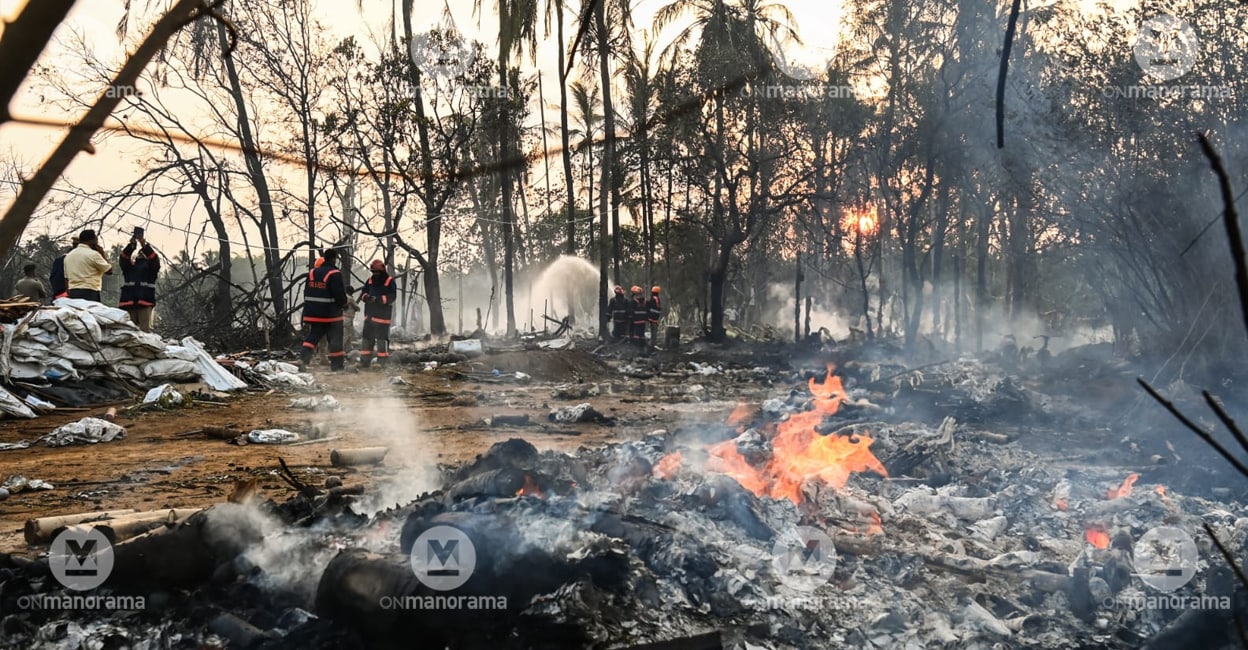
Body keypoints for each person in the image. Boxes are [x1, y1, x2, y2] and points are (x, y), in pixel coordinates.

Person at [299, 248, 349, 371]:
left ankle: (303, 360)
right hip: (331, 315)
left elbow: (306, 292)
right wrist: (344, 304)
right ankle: (337, 366)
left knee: (312, 337)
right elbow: (339, 294)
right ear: (333, 259)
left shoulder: (311, 273)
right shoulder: (334, 273)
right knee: (335, 340)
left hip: (313, 313)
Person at [118, 227, 159, 332]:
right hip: (129, 302)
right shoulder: (130, 267)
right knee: (128, 332)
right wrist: (131, 245)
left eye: (143, 253)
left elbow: (154, 259)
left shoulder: (151, 269)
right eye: (140, 253)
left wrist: (143, 244)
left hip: (144, 302)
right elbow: (123, 258)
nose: (140, 254)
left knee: (144, 332)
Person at [358, 259, 397, 369]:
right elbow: (363, 293)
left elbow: (392, 297)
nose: (375, 274)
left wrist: (378, 299)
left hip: (382, 318)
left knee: (381, 341)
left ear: (382, 271)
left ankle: (381, 364)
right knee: (366, 340)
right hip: (369, 317)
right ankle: (364, 363)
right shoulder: (370, 281)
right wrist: (367, 298)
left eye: (377, 272)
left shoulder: (389, 281)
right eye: (373, 272)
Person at [63, 229, 112, 302]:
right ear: (91, 240)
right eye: (96, 239)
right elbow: (109, 271)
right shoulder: (94, 254)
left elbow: (66, 279)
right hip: (90, 292)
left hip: (73, 293)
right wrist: (102, 253)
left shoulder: (68, 256)